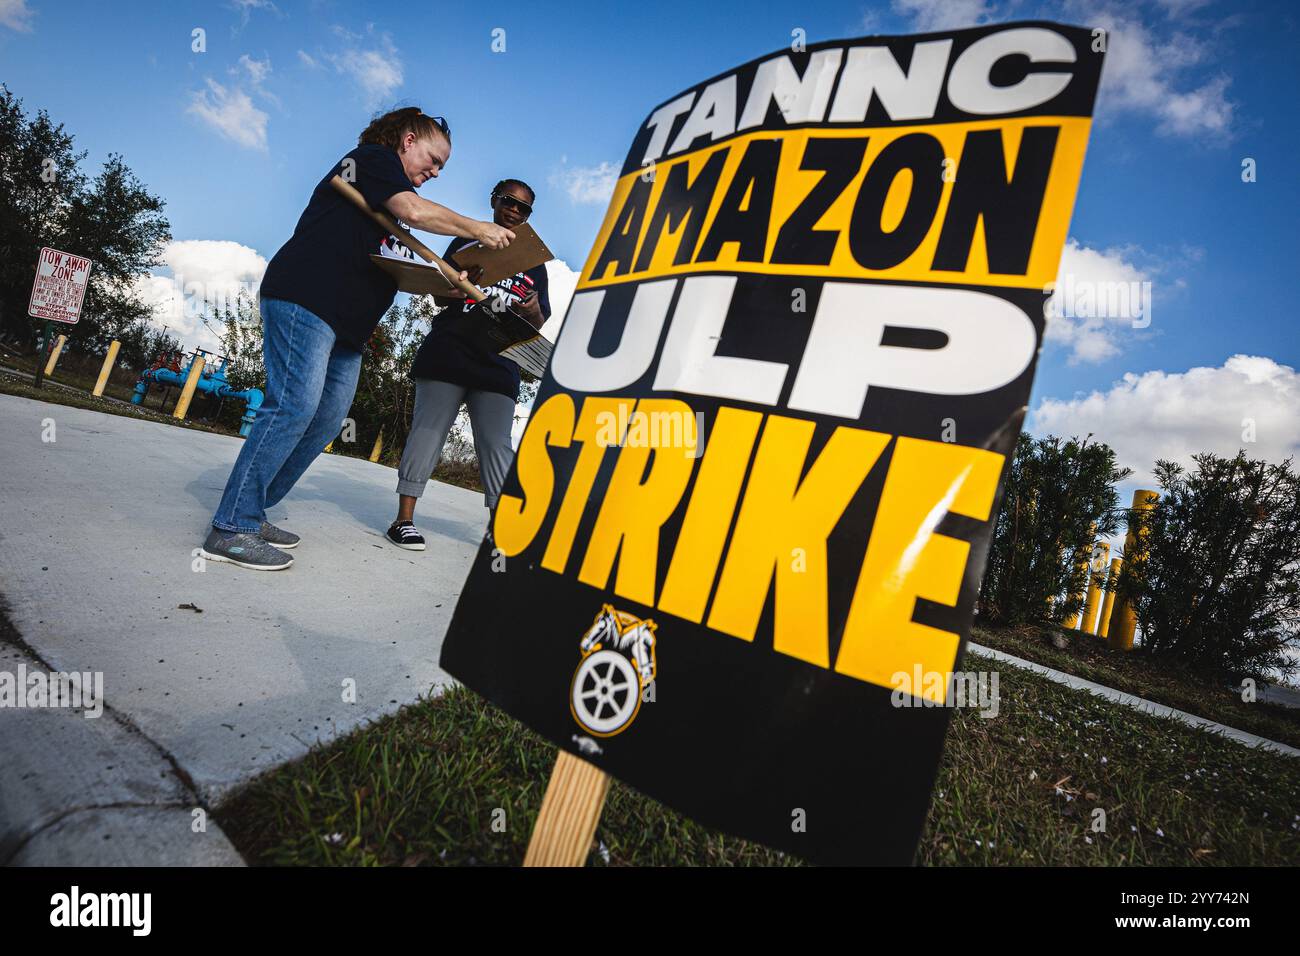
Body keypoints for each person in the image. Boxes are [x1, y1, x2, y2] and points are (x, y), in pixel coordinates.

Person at [200, 108, 514, 571]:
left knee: (327, 419)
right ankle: (231, 525)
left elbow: (394, 268)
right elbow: (413, 208)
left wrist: (441, 285)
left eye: (442, 167)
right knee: (293, 406)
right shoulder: (371, 160)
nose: (436, 171)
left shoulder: (381, 207)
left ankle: (254, 508)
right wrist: (477, 227)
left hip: (348, 327)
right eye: (433, 158)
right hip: (306, 298)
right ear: (407, 140)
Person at [385, 179, 550, 551]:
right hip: (449, 353)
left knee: (497, 446)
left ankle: (503, 533)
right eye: (509, 202)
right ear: (494, 201)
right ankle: (404, 520)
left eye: (524, 208)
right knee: (427, 433)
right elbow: (439, 296)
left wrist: (532, 311)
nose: (514, 211)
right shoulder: (465, 241)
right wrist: (453, 287)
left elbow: (540, 319)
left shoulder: (535, 263)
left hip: (500, 363)